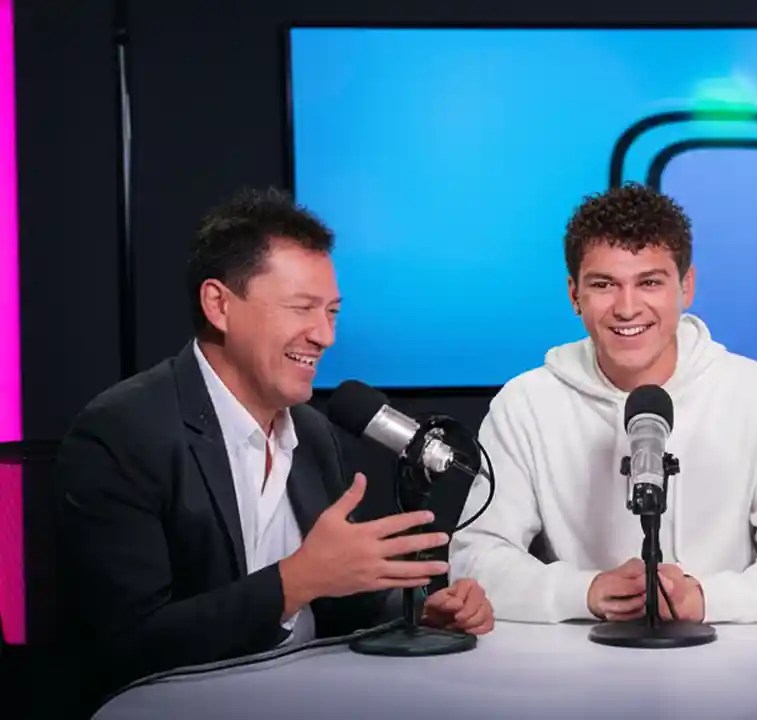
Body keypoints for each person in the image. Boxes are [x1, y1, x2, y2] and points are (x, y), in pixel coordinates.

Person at [55, 188, 493, 709]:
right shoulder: (123, 432)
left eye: (332, 312)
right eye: (302, 308)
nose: (325, 336)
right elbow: (125, 646)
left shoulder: (313, 434)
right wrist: (292, 581)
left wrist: (420, 612)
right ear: (219, 305)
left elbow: (337, 606)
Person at [450, 183, 757, 624]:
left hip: (734, 656)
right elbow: (476, 558)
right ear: (574, 295)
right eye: (604, 285)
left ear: (686, 286)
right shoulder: (525, 404)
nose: (627, 308)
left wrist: (706, 600)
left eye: (650, 283)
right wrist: (584, 592)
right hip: (580, 656)